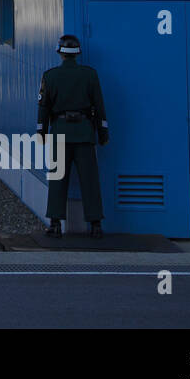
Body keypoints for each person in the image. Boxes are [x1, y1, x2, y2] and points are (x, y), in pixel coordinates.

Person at [36, 33, 109, 239]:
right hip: (85, 133)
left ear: (60, 53)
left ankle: (55, 223)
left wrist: (41, 131)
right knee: (90, 180)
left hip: (60, 133)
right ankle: (95, 224)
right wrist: (102, 132)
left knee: (58, 179)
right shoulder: (90, 75)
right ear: (78, 53)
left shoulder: (49, 76)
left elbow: (43, 108)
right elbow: (100, 107)